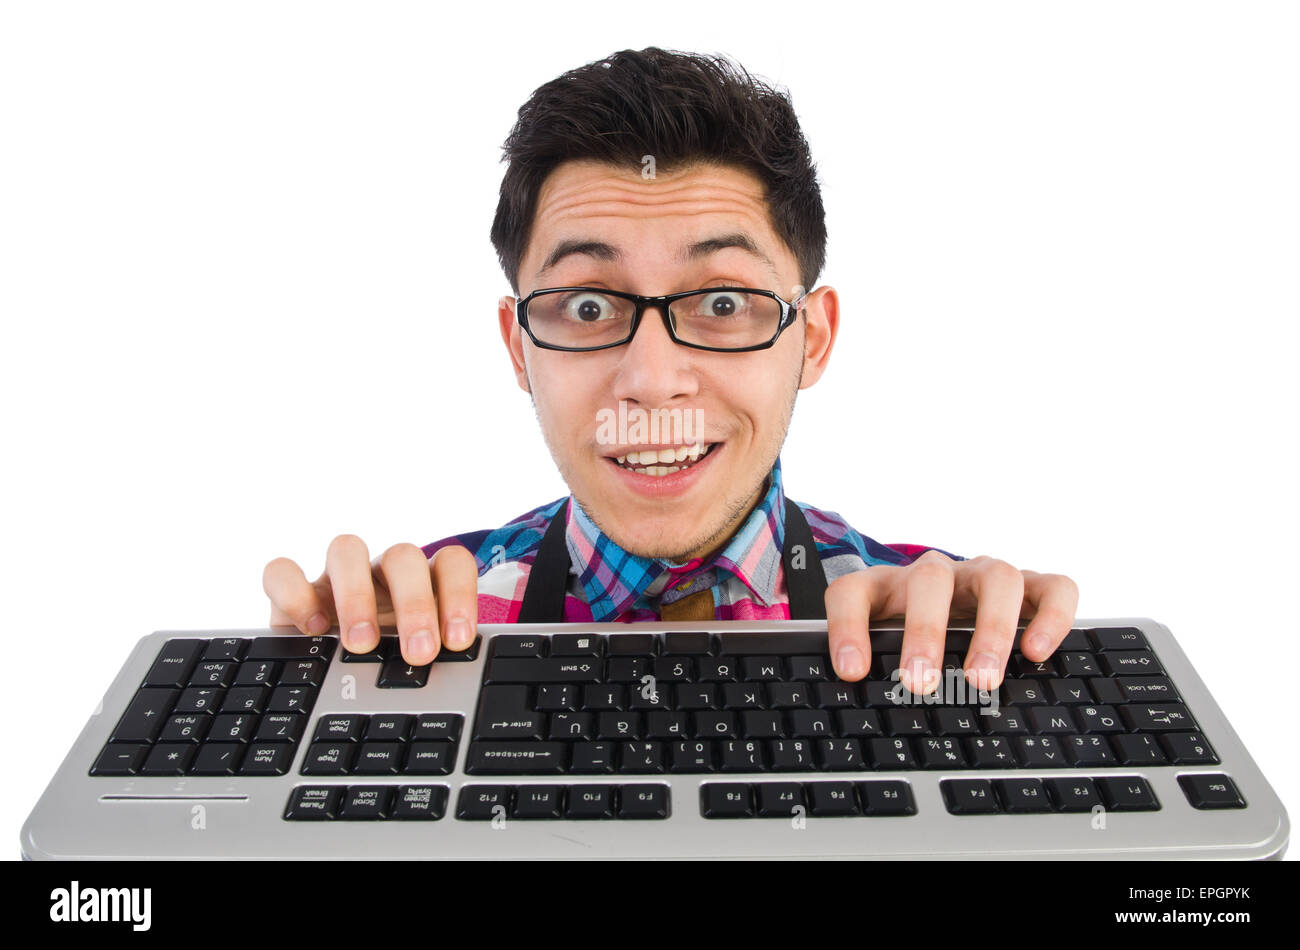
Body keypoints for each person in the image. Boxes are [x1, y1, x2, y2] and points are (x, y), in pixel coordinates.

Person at [261, 48, 1078, 694]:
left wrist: (1021, 684)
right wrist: (302, 690)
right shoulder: (428, 617)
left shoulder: (937, 618)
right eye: (588, 307)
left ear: (814, 338)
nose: (652, 381)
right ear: (519, 347)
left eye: (723, 302)